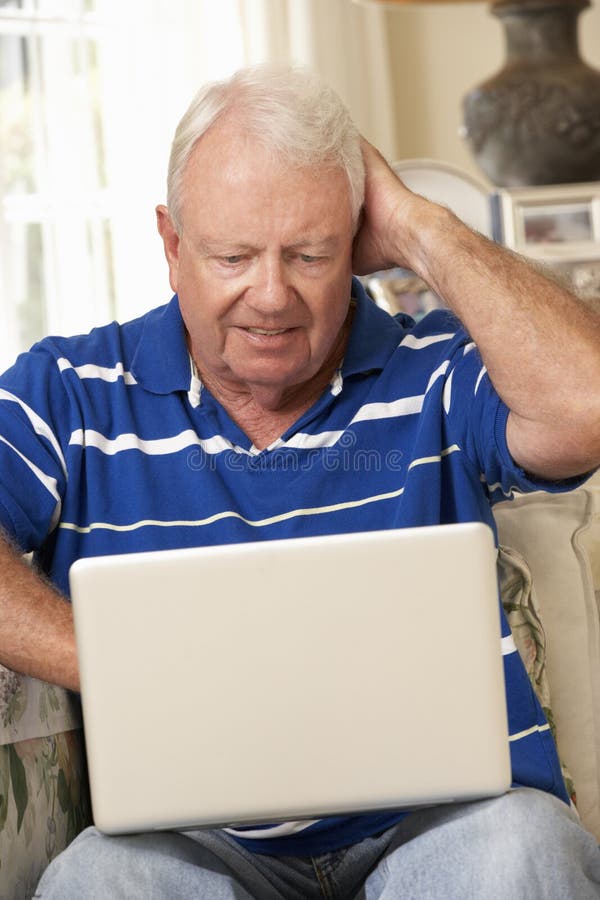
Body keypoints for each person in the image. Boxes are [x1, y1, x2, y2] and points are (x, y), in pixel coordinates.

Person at [0, 65, 597, 898]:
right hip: (190, 845)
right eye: (233, 256)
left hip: (450, 825)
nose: (271, 297)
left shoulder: (437, 373)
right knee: (98, 882)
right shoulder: (73, 388)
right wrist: (114, 658)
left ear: (355, 239)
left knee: (525, 849)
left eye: (310, 254)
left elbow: (589, 403)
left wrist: (422, 227)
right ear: (172, 247)